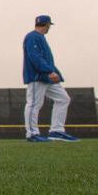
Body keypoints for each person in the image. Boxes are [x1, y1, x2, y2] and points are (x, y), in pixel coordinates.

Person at [23, 15, 78, 143]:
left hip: (48, 76)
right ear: (47, 25)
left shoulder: (40, 37)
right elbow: (34, 57)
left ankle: (57, 131)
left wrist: (54, 72)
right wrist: (49, 71)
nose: (49, 28)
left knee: (63, 99)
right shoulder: (33, 36)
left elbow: (45, 59)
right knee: (34, 104)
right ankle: (32, 133)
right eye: (49, 25)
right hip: (38, 76)